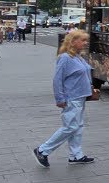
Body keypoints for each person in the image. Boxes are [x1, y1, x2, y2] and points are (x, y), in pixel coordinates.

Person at [33, 30, 98, 167]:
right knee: (70, 127)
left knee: (78, 126)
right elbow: (57, 79)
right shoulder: (65, 58)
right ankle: (43, 150)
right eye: (83, 40)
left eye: (86, 40)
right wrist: (59, 98)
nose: (86, 43)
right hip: (71, 97)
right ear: (73, 41)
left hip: (80, 96)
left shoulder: (78, 57)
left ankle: (76, 155)